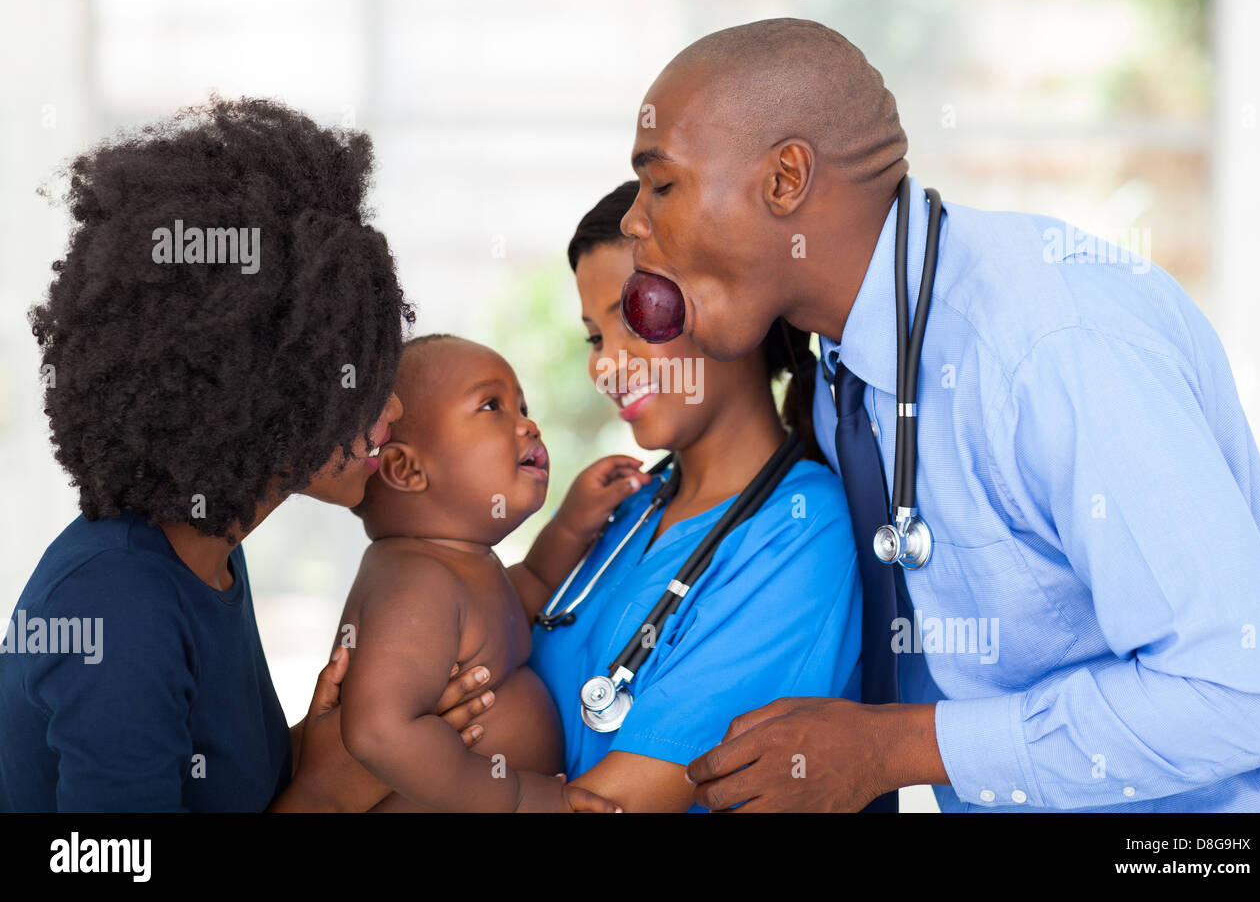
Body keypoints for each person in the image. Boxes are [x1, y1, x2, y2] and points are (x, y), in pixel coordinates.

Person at [619, 18, 1260, 811]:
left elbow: (1245, 697)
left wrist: (888, 749)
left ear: (786, 179)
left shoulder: (1052, 344)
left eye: (660, 185)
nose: (633, 221)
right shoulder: (845, 369)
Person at [0, 97, 485, 811]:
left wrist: (330, 747)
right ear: (261, 389)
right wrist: (324, 794)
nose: (391, 410)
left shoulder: (208, 553)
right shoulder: (116, 611)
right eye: (358, 376)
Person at [523, 181, 863, 812]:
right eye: (595, 337)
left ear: (730, 306)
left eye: (634, 318)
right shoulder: (627, 507)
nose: (606, 365)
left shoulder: (805, 530)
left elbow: (620, 801)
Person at [335, 333, 632, 812]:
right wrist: (521, 797)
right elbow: (378, 732)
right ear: (407, 470)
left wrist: (571, 526)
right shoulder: (413, 582)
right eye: (492, 406)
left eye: (523, 407)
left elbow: (532, 585)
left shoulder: (458, 563)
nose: (529, 425)